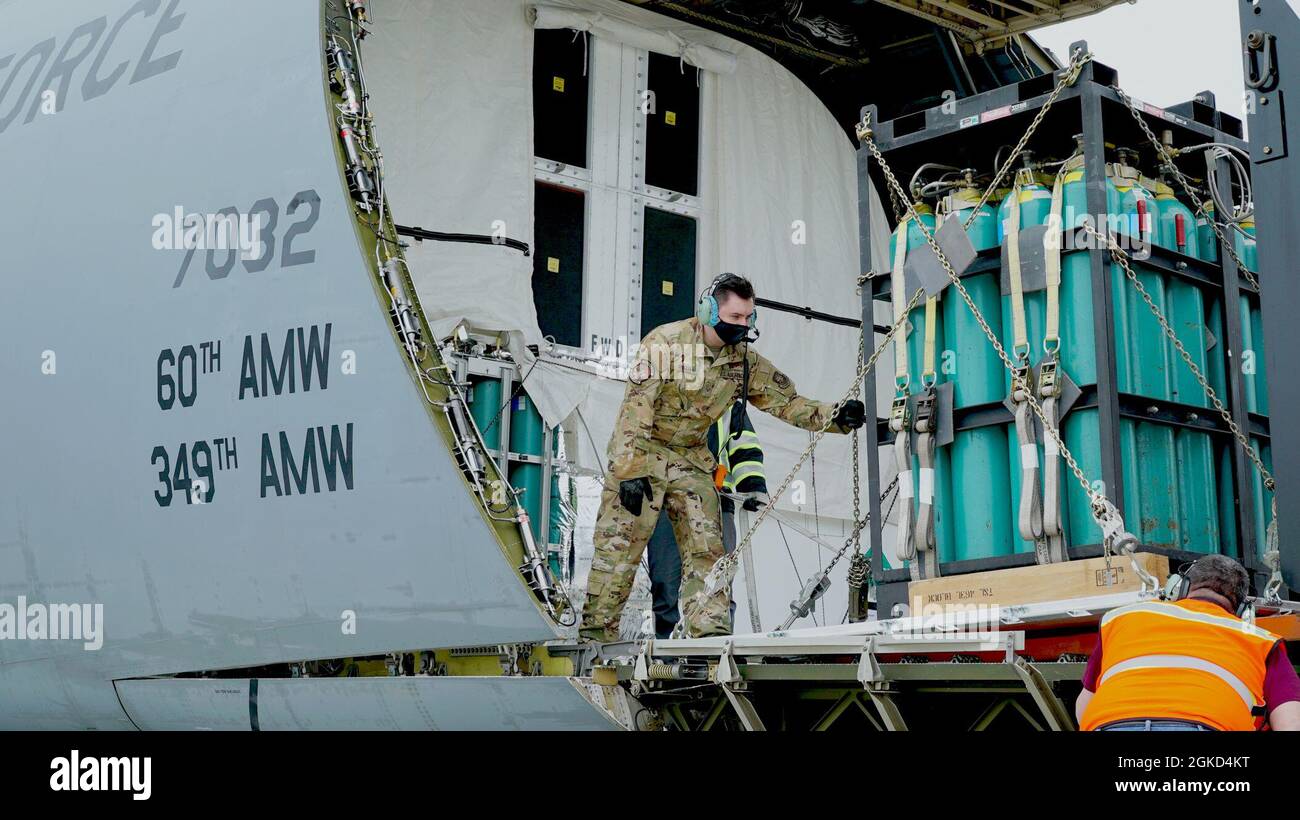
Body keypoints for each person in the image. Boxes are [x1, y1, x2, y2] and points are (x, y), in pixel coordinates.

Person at [579, 273, 865, 642]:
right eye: (735, 318)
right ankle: (595, 641)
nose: (743, 326)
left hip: (690, 459)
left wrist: (835, 416)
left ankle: (709, 642)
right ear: (707, 309)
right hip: (643, 453)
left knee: (709, 554)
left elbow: (788, 403)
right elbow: (636, 411)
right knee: (619, 550)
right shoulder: (664, 343)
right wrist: (629, 473)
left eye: (748, 318)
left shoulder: (743, 362)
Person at [1076, 554, 1300, 731]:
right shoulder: (1259, 641)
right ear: (1243, 610)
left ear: (1178, 588)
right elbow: (1291, 723)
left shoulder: (1122, 619)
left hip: (1107, 724)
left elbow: (1083, 708)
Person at [646, 402, 768, 639]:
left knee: (718, 582)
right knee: (664, 581)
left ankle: (716, 652)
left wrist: (752, 484)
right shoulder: (659, 393)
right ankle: (668, 654)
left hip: (716, 501)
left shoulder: (728, 401)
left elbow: (744, 445)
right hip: (666, 502)